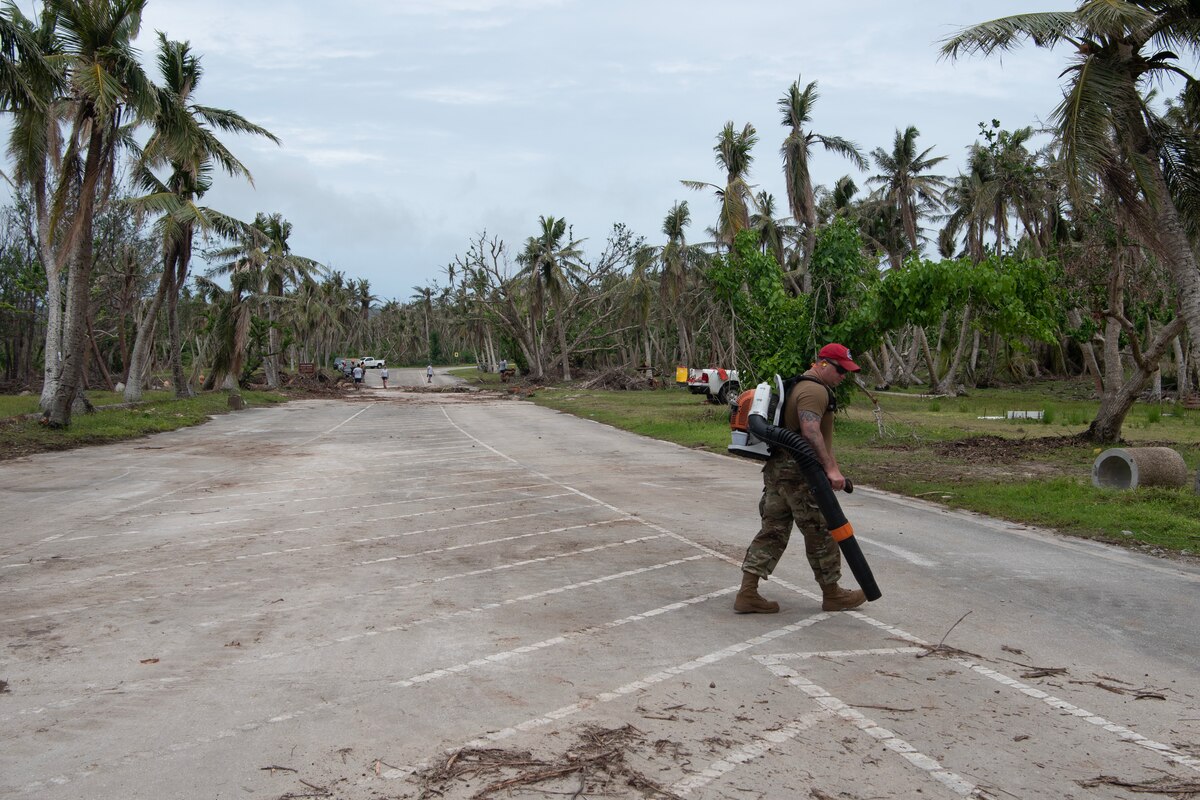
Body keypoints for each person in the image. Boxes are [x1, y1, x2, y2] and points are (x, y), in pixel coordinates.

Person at [735, 343, 866, 614]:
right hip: (800, 474)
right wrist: (829, 470)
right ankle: (833, 594)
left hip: (779, 471)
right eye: (841, 370)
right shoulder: (814, 390)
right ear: (824, 364)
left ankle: (748, 592)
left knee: (773, 531)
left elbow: (819, 438)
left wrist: (833, 467)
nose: (844, 376)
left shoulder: (801, 386)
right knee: (821, 532)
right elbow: (810, 432)